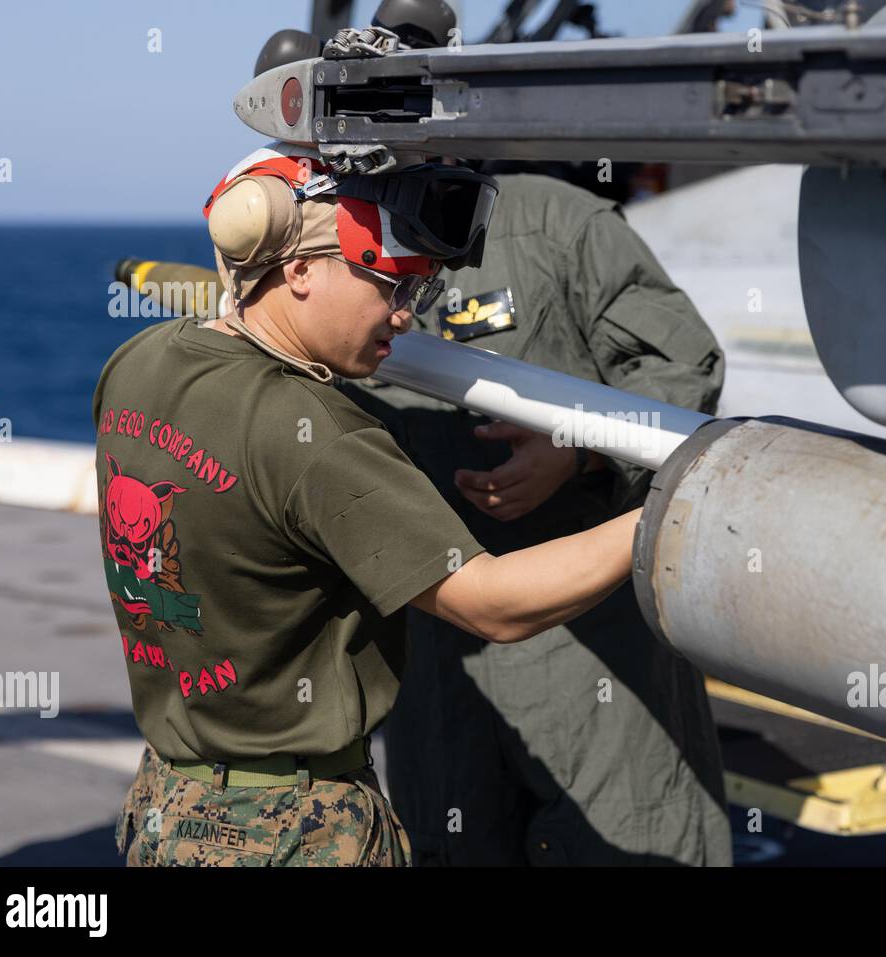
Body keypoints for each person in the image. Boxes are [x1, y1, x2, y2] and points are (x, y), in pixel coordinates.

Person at [102, 144, 642, 866]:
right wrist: (662, 517)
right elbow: (496, 604)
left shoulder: (134, 365)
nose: (405, 316)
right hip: (294, 831)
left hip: (165, 805)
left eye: (417, 289)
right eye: (391, 282)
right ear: (300, 270)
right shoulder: (322, 437)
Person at [337, 5, 733, 859]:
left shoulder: (557, 224)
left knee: (627, 841)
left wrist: (576, 447)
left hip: (590, 651)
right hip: (438, 665)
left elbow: (683, 368)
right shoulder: (333, 250)